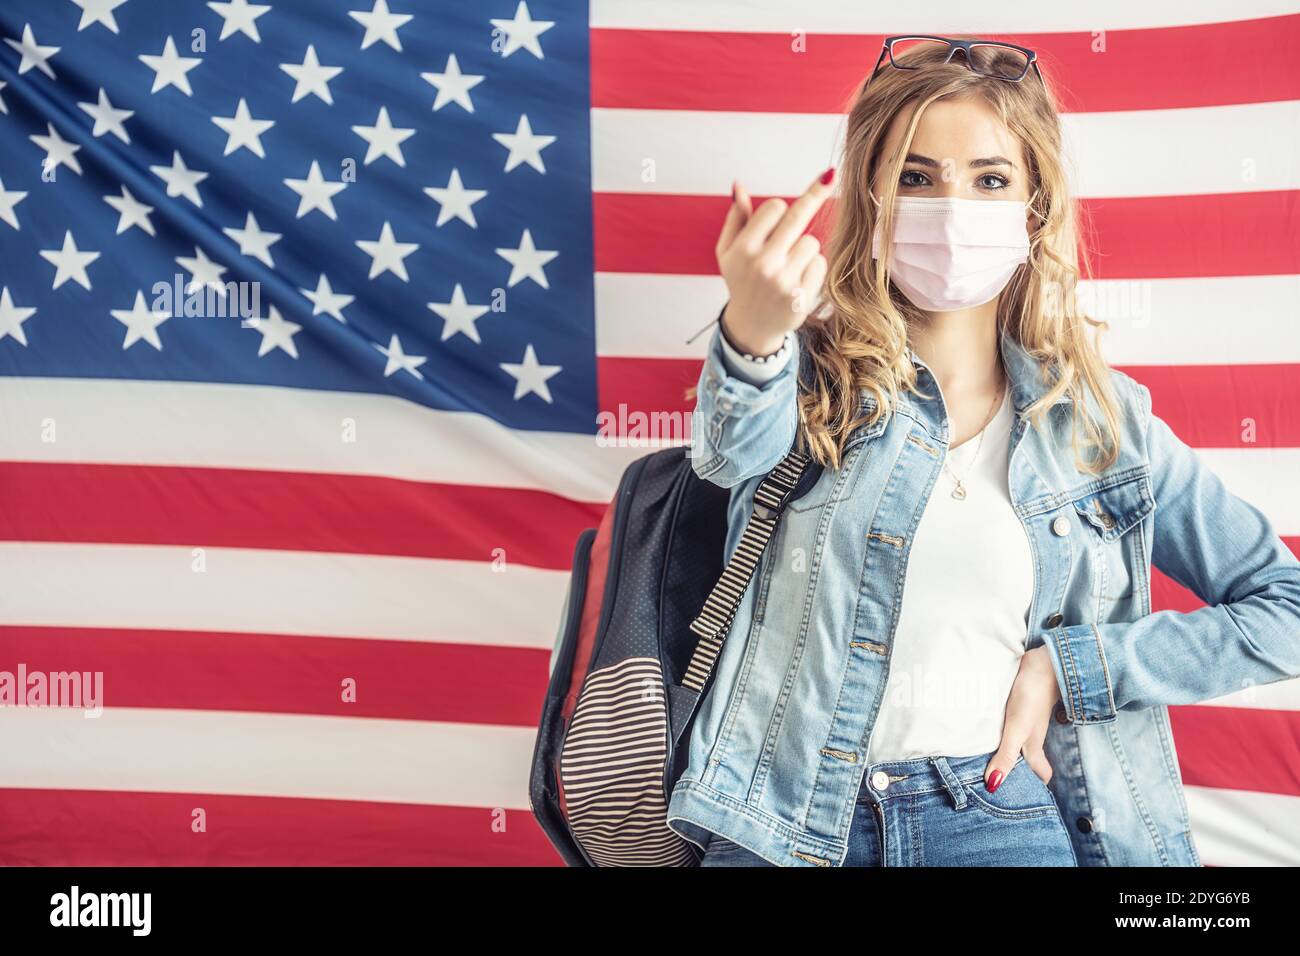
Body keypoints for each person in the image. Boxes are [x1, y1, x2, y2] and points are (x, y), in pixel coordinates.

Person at [665, 35, 1300, 867]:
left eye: (990, 179)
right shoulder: (800, 379)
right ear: (875, 197)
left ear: (1033, 208)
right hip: (779, 830)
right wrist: (749, 333)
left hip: (997, 820)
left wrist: (1070, 668)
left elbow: (1285, 610)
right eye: (916, 177)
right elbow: (726, 457)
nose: (952, 207)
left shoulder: (1104, 426)